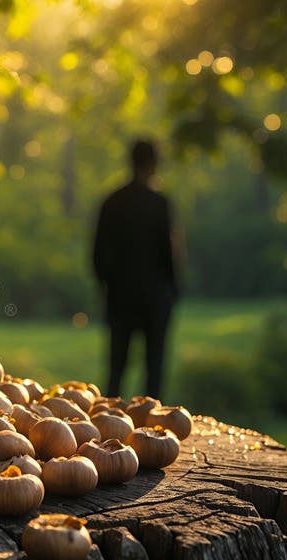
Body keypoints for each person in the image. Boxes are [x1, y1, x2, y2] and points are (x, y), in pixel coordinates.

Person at [92, 139, 179, 399]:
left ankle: (108, 424)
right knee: (154, 369)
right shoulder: (159, 203)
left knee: (116, 368)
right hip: (155, 297)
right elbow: (168, 253)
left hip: (120, 296)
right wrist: (174, 289)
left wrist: (104, 286)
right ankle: (153, 426)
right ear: (153, 163)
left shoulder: (111, 202)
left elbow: (97, 254)